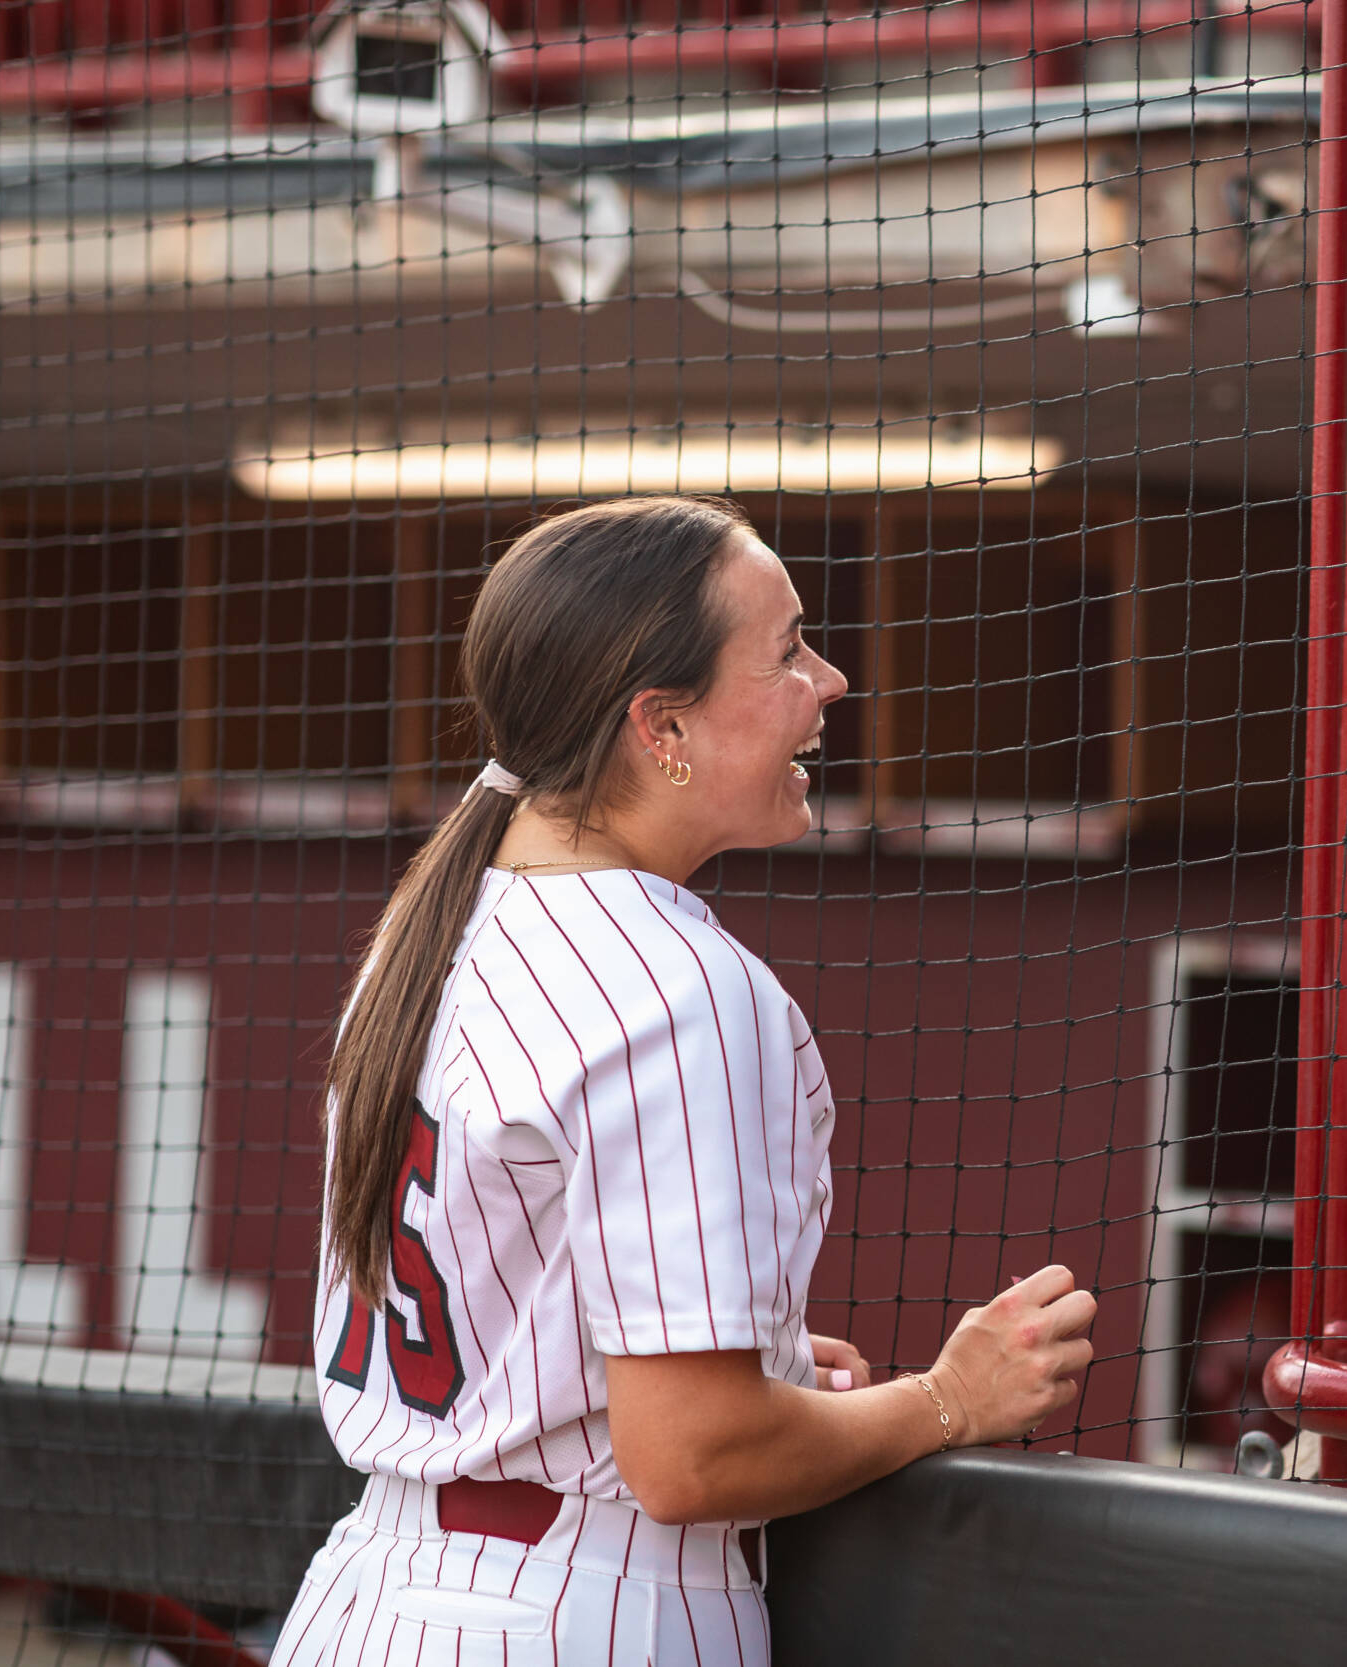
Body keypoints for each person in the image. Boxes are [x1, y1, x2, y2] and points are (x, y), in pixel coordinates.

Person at [273, 495, 1095, 1666]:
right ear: (661, 727)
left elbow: (532, 1315)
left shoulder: (439, 924)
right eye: (787, 650)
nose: (831, 678)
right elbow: (695, 1458)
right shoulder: (680, 984)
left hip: (375, 1596)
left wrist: (753, 1373)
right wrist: (947, 1398)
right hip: (578, 1613)